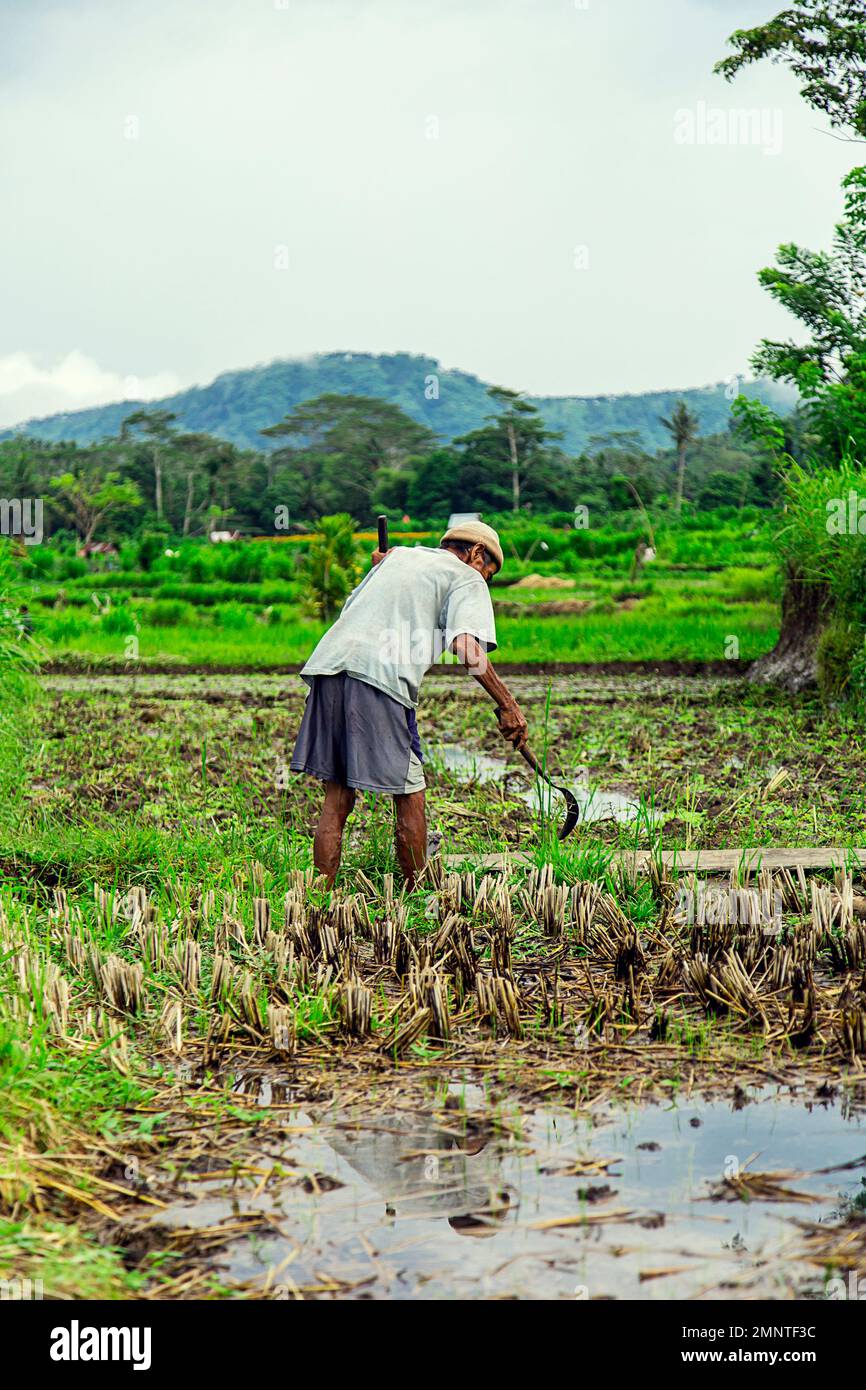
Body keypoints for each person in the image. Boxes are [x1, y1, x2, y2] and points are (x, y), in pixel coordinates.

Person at [291, 520, 528, 887]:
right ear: (476, 554)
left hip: (327, 667)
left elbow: (356, 607)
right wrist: (508, 704)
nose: (486, 582)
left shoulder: (397, 558)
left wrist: (384, 566)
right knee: (409, 793)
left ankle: (319, 894)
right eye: (489, 572)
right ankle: (416, 893)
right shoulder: (467, 577)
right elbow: (467, 648)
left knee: (337, 793)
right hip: (379, 678)